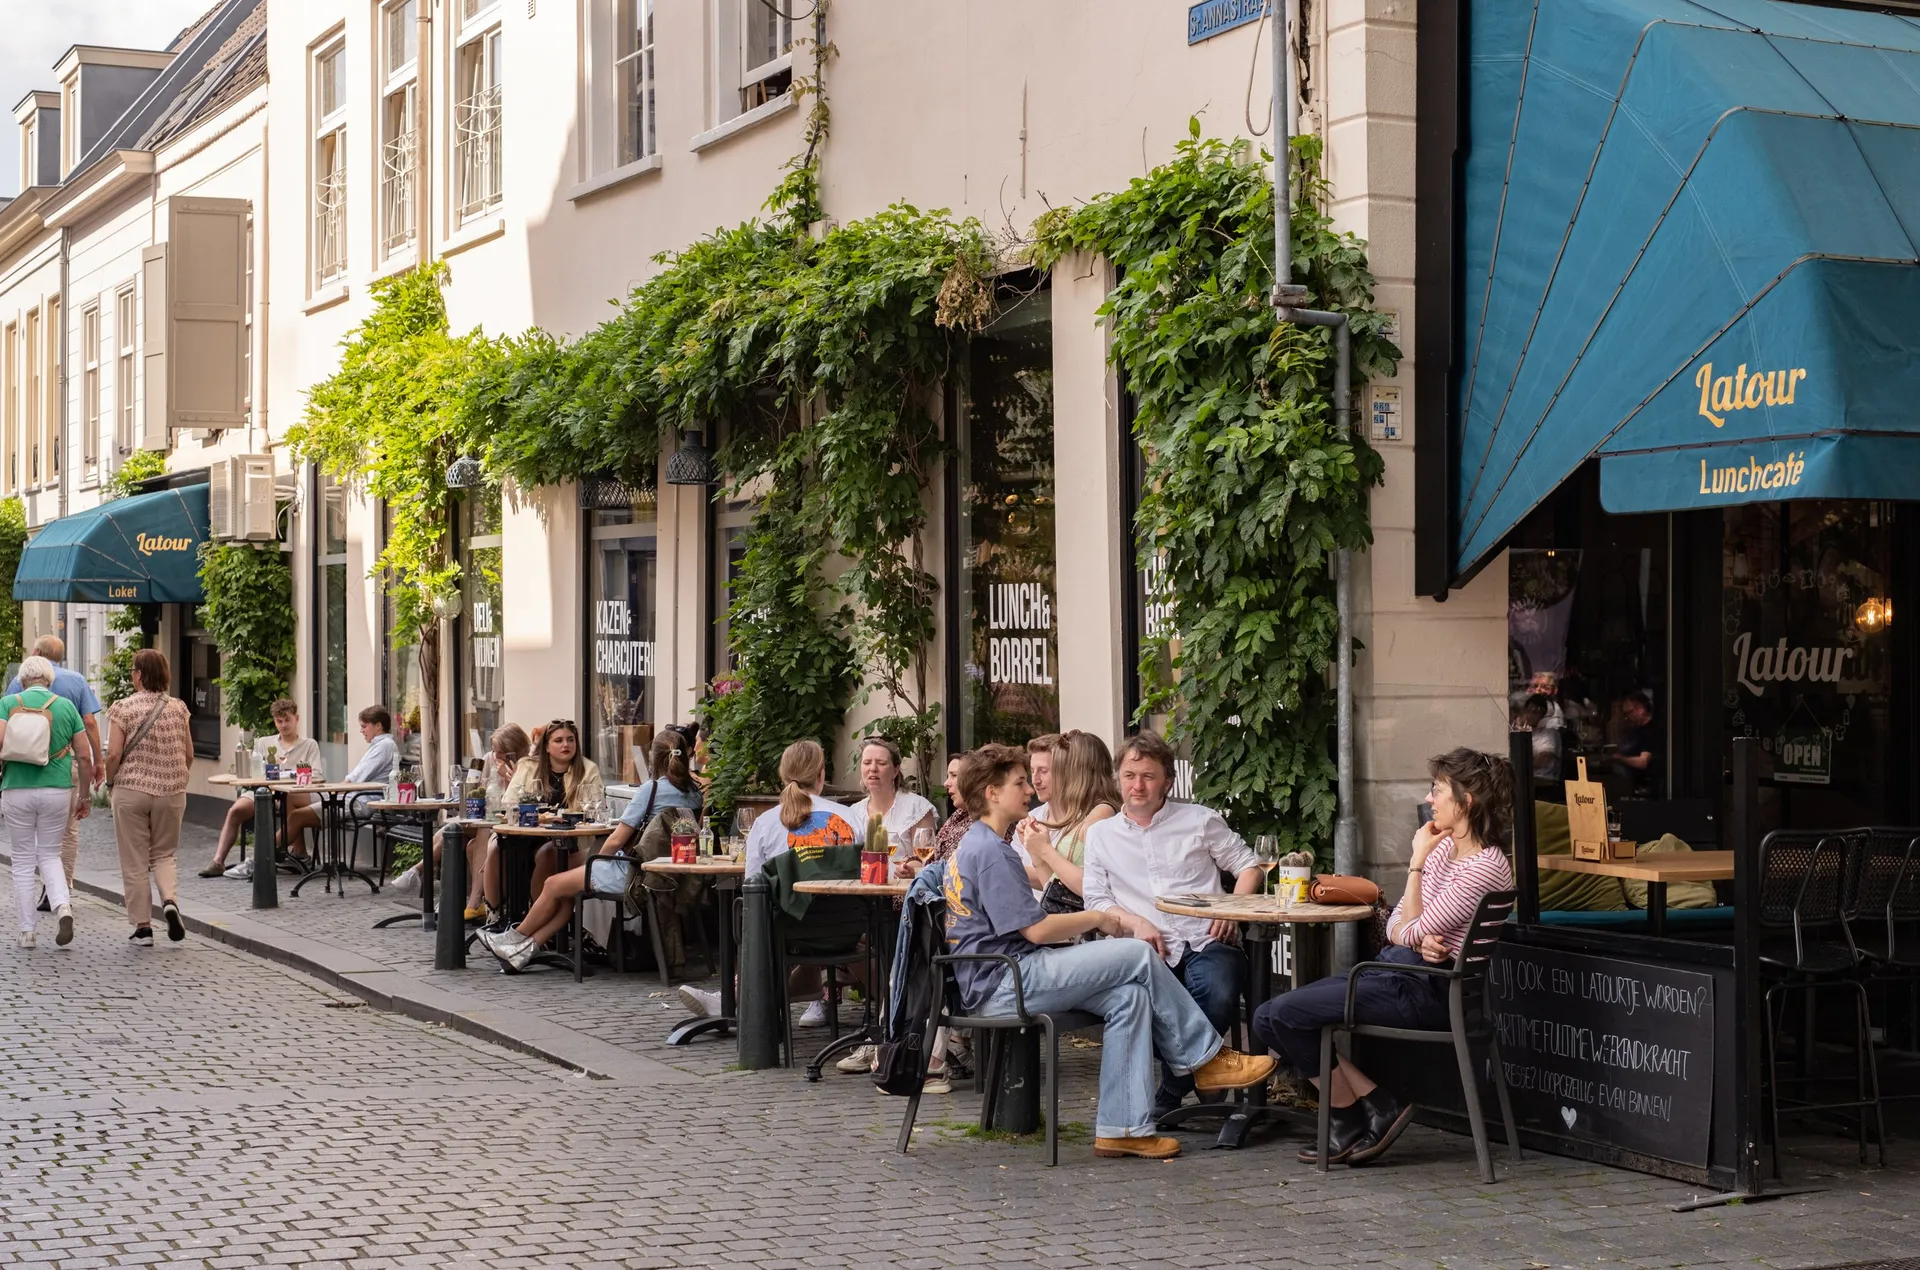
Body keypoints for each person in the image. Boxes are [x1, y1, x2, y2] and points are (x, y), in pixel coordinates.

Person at [943, 743, 1276, 1160]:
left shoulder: (980, 844)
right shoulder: (991, 851)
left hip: (1004, 975)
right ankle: (1205, 1059)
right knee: (1137, 955)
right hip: (1007, 980)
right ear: (992, 793)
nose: (1031, 788)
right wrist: (1099, 919)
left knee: (1130, 998)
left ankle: (1123, 1129)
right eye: (1020, 781)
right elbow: (1037, 930)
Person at [1251, 747, 1517, 1167]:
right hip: (1398, 972)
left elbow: (1405, 928)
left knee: (1283, 1015)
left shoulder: (1482, 867)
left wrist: (1414, 865)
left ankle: (1347, 1116)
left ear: (1467, 802)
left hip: (1427, 990)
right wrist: (1415, 933)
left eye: (1438, 790)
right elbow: (1397, 926)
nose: (1430, 799)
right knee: (1267, 1016)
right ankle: (1375, 1105)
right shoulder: (1446, 851)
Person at [1082, 729, 1264, 1120]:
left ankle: (1173, 1085)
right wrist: (1135, 922)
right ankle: (1204, 1073)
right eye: (1130, 776)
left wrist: (1230, 909)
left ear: (1167, 780)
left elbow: (1249, 866)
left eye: (1148, 776)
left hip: (1207, 938)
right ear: (1118, 779)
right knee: (1132, 1012)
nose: (1138, 785)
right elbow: (1096, 899)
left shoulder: (1200, 820)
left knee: (1216, 995)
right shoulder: (1100, 835)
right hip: (1142, 951)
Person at [476, 731, 695, 972]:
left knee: (552, 884)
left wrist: (592, 862)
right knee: (566, 892)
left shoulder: (651, 790)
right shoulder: (694, 793)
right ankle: (523, 952)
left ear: (653, 759)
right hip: (672, 876)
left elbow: (616, 840)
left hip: (634, 875)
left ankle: (512, 938)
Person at [686, 739, 861, 1029]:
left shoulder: (766, 823)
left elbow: (753, 887)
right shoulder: (849, 816)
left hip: (789, 935)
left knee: (754, 911)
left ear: (782, 776)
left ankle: (738, 997)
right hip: (847, 932)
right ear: (821, 776)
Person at [103, 650, 194, 946]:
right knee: (164, 854)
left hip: (131, 791)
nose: (131, 675)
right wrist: (176, 776)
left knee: (135, 860)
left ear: (140, 675)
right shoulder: (178, 708)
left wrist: (110, 780)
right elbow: (189, 754)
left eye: (132, 671)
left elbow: (114, 753)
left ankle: (143, 928)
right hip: (171, 791)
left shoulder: (122, 708)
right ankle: (169, 901)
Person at [0, 655, 90, 949]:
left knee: (23, 860)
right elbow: (84, 756)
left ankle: (27, 932)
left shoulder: (7, 704)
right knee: (50, 854)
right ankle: (62, 905)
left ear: (23, 680)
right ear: (49, 680)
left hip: (16, 789)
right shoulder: (65, 707)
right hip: (57, 789)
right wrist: (85, 794)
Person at [5, 635, 104, 897]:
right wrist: (98, 761)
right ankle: (60, 888)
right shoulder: (77, 680)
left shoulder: (19, 681)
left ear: (36, 651)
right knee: (68, 831)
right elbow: (90, 723)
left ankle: (43, 893)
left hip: (22, 767)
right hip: (64, 764)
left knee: (29, 837)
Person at [207, 698, 321, 877]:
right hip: (264, 792)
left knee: (290, 799)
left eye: (287, 720)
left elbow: (317, 775)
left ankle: (264, 858)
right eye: (279, 721)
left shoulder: (309, 745)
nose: (283, 725)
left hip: (293, 794)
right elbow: (255, 773)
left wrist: (288, 775)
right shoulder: (264, 743)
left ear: (297, 719)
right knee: (236, 810)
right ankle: (218, 862)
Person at [500, 719, 606, 903]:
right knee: (496, 848)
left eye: (571, 739)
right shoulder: (528, 767)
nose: (566, 745)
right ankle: (498, 915)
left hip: (570, 840)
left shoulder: (588, 770)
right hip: (528, 833)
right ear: (546, 746)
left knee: (549, 852)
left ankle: (535, 915)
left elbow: (595, 810)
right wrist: (539, 818)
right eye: (559, 740)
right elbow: (508, 803)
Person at [1017, 730, 1122, 912]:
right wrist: (1036, 853)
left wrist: (1044, 850)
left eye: (1062, 766)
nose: (1035, 780)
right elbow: (1055, 889)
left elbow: (1092, 889)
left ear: (1079, 769)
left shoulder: (1100, 815)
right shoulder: (1082, 813)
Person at [284, 705, 398, 853]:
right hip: (349, 795)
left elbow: (356, 778)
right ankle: (298, 853)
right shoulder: (379, 745)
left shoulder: (385, 746)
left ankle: (264, 859)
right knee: (292, 797)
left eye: (364, 726)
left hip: (358, 800)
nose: (361, 730)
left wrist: (335, 789)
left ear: (378, 725)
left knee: (297, 816)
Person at [849, 736, 935, 848]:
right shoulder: (853, 813)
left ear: (895, 771)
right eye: (867, 762)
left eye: (881, 763)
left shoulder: (917, 808)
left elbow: (926, 860)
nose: (873, 768)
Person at [1612, 691, 1658, 795]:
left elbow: (1643, 762)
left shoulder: (1651, 731)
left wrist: (1619, 758)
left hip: (1645, 788)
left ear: (1641, 710)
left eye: (1629, 713)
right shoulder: (1637, 731)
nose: (1628, 717)